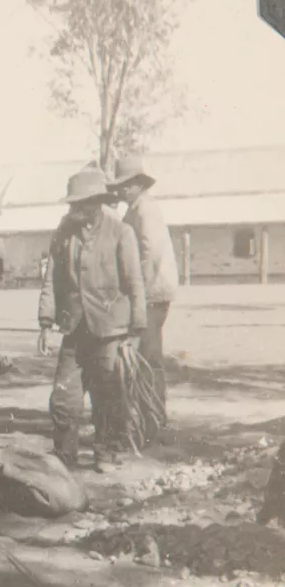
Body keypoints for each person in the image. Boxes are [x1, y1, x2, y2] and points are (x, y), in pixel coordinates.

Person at [37, 168, 146, 473]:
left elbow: (136, 283)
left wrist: (135, 331)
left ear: (98, 202)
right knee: (63, 397)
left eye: (81, 204)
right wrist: (46, 323)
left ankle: (107, 453)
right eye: (72, 204)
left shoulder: (120, 232)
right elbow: (51, 279)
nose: (74, 210)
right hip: (74, 328)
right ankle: (64, 456)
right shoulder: (63, 233)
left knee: (108, 394)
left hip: (111, 330)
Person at [107, 155, 177, 426]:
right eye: (120, 185)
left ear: (138, 184)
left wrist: (139, 294)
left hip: (152, 292)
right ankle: (150, 417)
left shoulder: (145, 210)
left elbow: (148, 252)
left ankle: (154, 420)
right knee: (144, 358)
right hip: (149, 291)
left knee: (148, 358)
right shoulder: (136, 208)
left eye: (127, 184)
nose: (122, 189)